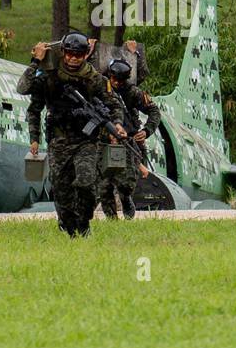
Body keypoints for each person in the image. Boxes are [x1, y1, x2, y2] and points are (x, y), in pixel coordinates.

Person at [18, 32, 126, 237]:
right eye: (69, 54)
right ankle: (69, 227)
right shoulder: (49, 76)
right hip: (59, 140)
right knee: (60, 188)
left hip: (86, 140)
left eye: (78, 54)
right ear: (63, 53)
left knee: (86, 182)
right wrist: (35, 61)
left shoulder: (94, 79)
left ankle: (84, 222)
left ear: (86, 55)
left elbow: (113, 105)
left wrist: (118, 124)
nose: (73, 58)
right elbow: (26, 94)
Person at [98, 58, 160, 220]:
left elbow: (154, 111)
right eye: (114, 79)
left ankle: (126, 199)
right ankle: (112, 220)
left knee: (126, 183)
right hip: (104, 141)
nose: (117, 83)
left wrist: (146, 131)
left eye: (120, 80)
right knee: (105, 185)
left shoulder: (133, 92)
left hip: (127, 142)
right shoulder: (100, 87)